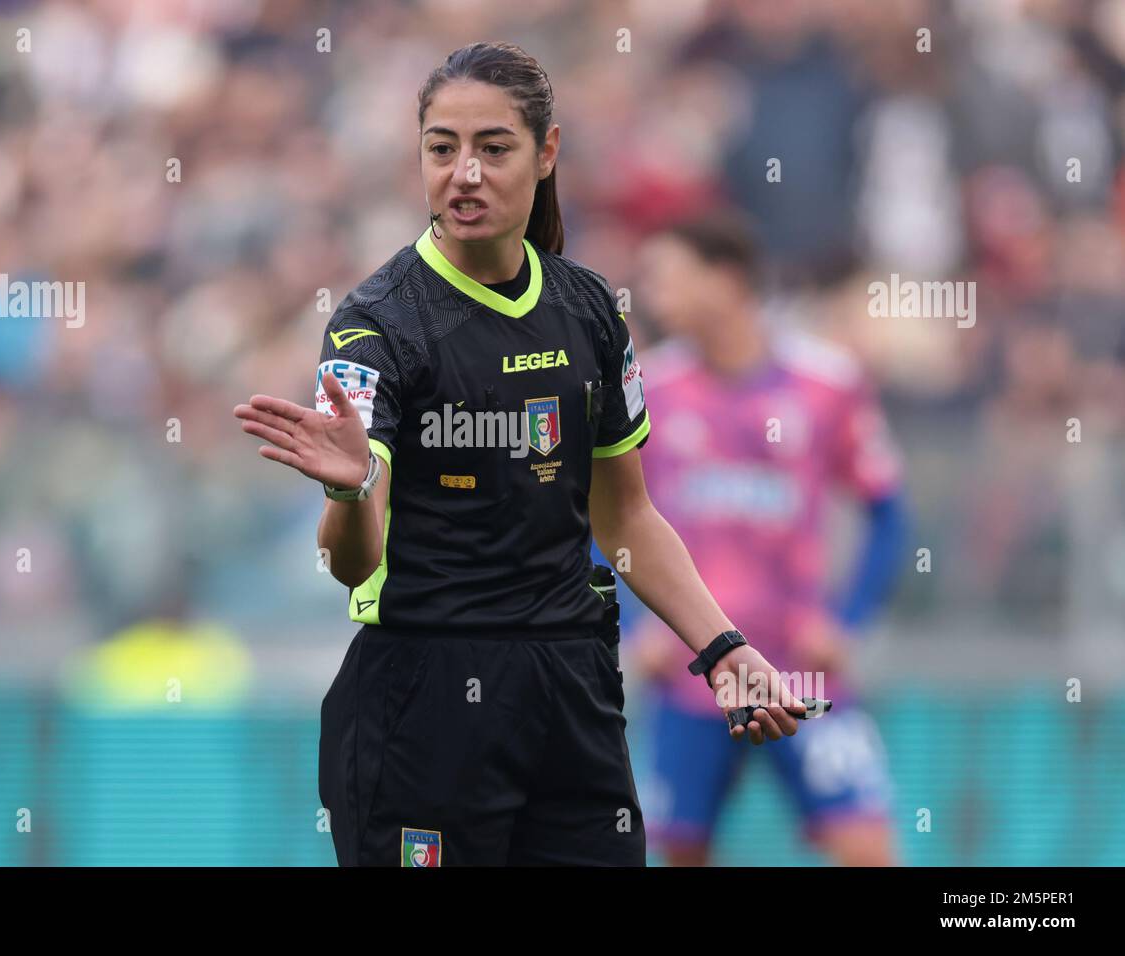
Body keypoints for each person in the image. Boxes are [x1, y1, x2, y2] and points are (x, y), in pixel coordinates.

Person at [234, 42, 808, 867]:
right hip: (423, 700)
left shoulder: (589, 312)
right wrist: (357, 489)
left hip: (571, 696)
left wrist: (722, 649)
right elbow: (352, 567)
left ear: (546, 153)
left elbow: (627, 518)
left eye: (492, 148)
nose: (464, 172)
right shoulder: (375, 328)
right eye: (442, 148)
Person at [630, 213, 909, 866]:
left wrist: (848, 621)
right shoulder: (648, 387)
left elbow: (890, 515)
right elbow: (599, 522)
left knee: (867, 848)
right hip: (691, 671)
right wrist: (628, 627)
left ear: (725, 282)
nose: (652, 292)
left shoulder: (826, 383)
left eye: (667, 275)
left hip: (801, 666)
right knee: (678, 855)